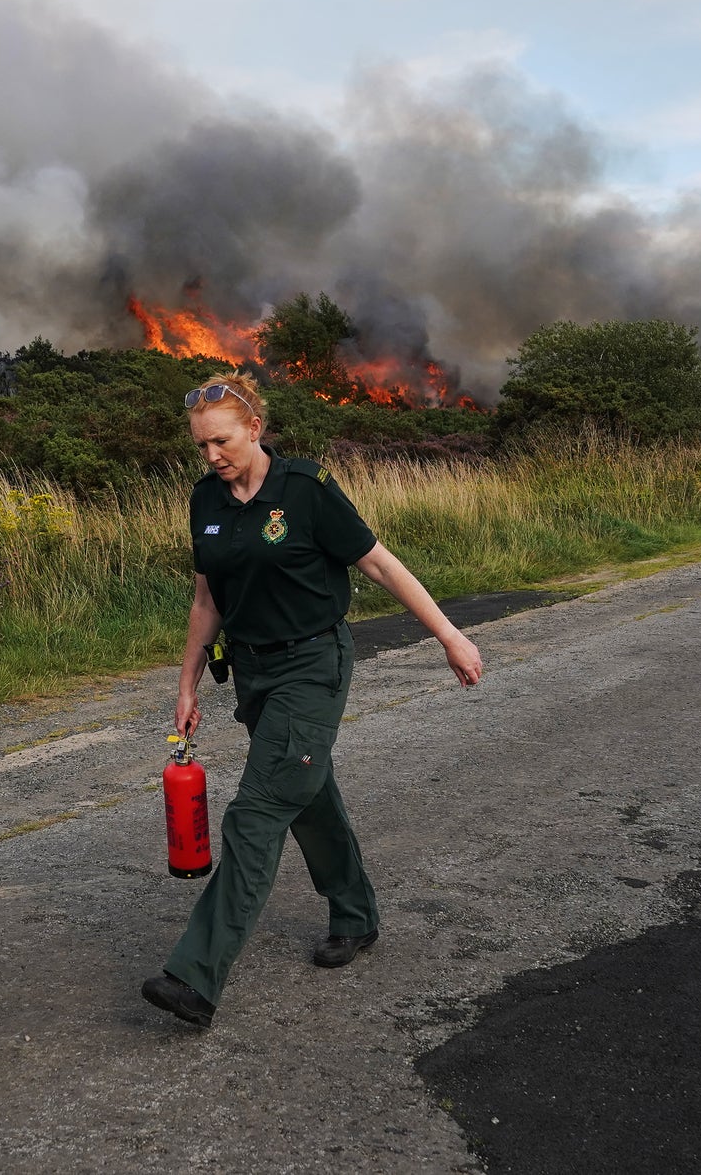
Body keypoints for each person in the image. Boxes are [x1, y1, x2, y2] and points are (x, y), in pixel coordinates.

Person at [141, 372, 484, 1028]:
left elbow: (379, 564)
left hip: (312, 663)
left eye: (222, 440)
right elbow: (205, 599)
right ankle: (354, 915)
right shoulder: (204, 500)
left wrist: (448, 634)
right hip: (253, 672)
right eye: (201, 446)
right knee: (306, 788)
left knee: (259, 807)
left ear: (254, 429)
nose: (211, 455)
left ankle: (195, 976)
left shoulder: (305, 489)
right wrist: (186, 685)